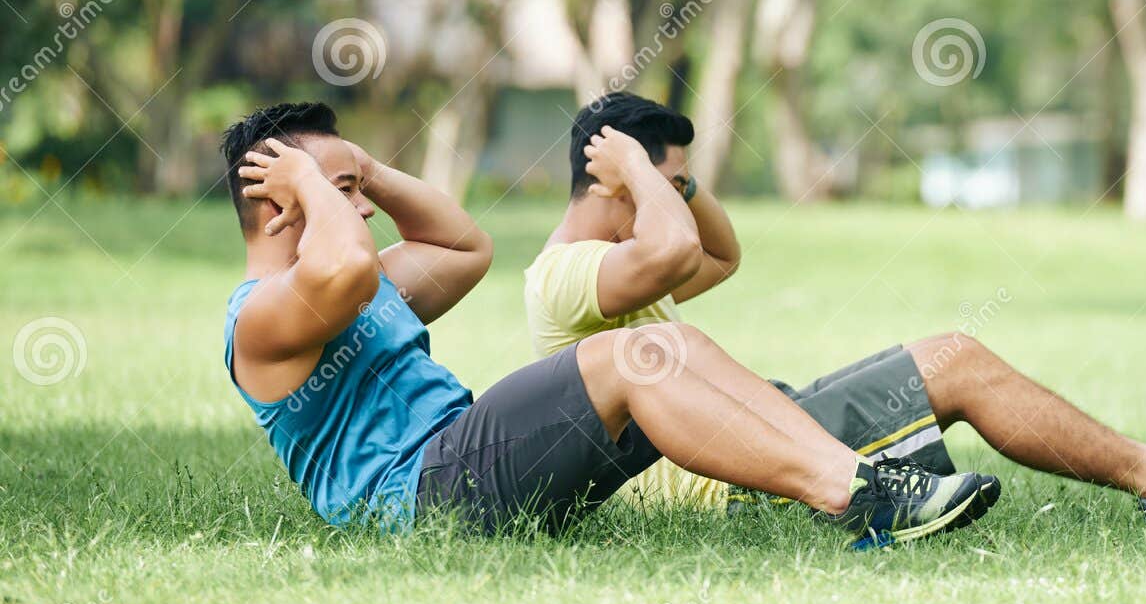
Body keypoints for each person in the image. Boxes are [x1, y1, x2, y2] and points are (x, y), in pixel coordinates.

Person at [219, 101, 999, 545]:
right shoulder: (261, 321)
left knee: (671, 348)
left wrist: (366, 168)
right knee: (635, 354)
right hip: (415, 499)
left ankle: (863, 479)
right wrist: (312, 181)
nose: (360, 208)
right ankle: (857, 499)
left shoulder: (366, 283)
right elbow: (347, 265)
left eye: (359, 191)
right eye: (344, 193)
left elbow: (461, 245)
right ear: (277, 202)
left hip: (468, 468)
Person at [526, 92, 1146, 525]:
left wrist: (673, 182)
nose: (681, 204)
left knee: (952, 354)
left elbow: (720, 257)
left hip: (762, 428)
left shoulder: (625, 264)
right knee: (956, 360)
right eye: (668, 186)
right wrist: (633, 166)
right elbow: (675, 252)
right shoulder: (567, 275)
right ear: (610, 185)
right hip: (735, 480)